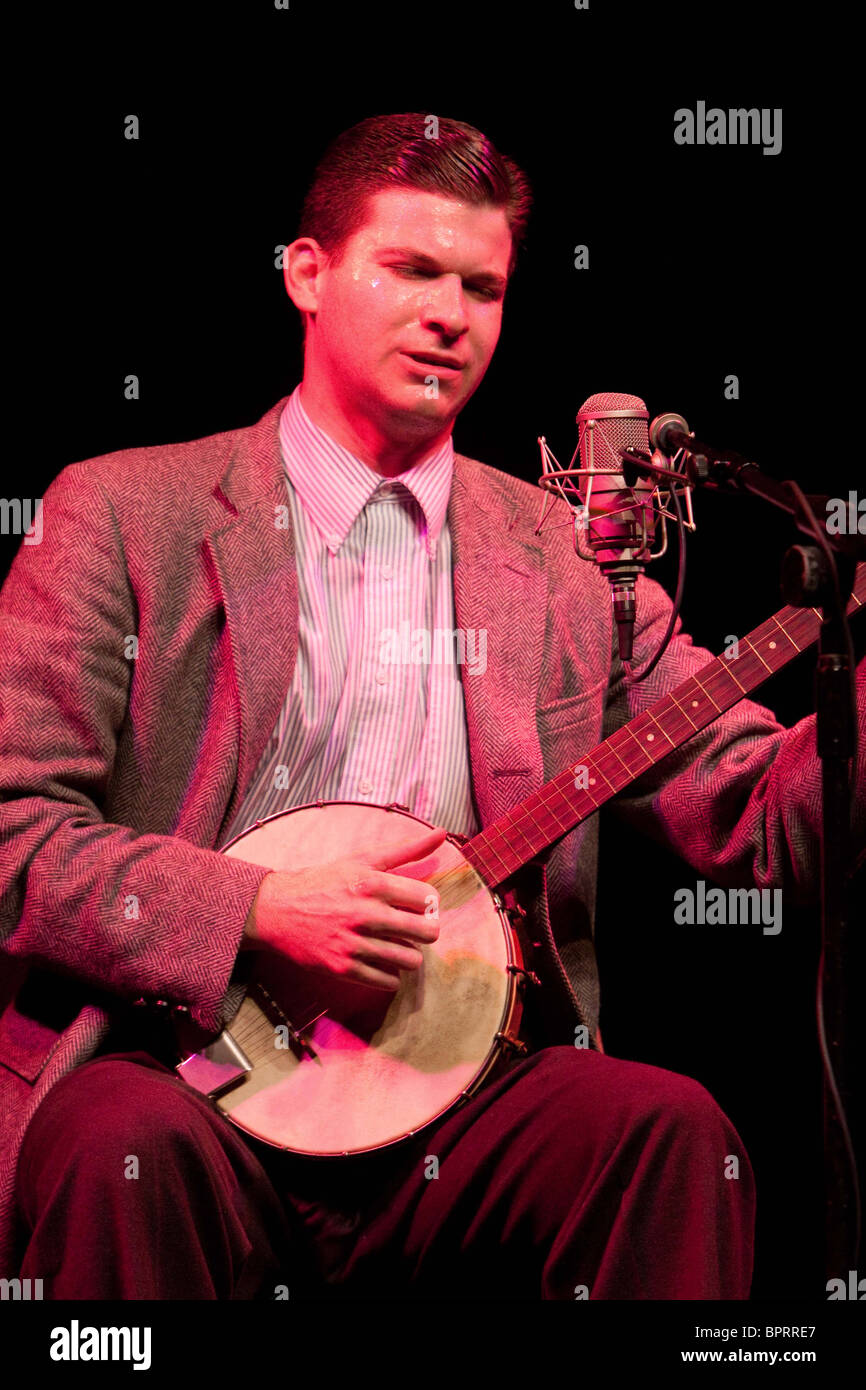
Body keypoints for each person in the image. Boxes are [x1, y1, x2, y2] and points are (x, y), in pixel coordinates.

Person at [0, 113, 863, 1301]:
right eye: (409, 270)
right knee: (119, 1150)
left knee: (669, 1135)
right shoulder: (116, 515)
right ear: (306, 274)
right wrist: (256, 909)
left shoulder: (562, 561)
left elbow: (765, 815)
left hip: (468, 1088)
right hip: (183, 1070)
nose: (450, 315)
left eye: (483, 287)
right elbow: (13, 835)